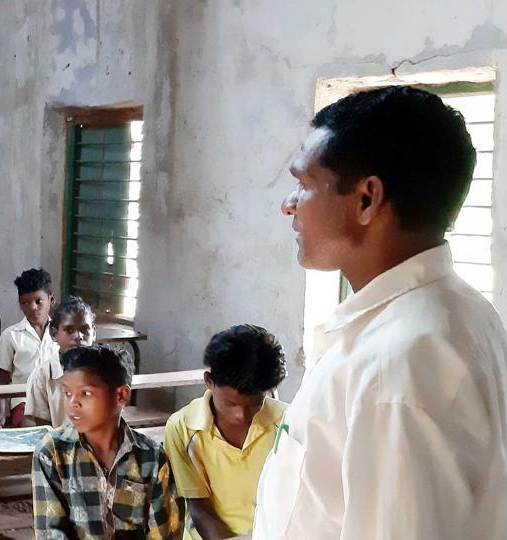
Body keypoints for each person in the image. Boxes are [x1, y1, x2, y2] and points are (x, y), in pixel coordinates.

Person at [253, 86, 507, 539]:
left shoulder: (400, 365)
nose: (289, 204)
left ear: (367, 200)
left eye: (306, 184)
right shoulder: (456, 311)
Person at [32, 345, 180, 539]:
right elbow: (50, 533)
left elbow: (164, 534)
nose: (73, 403)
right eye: (68, 393)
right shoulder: (52, 452)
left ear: (121, 396)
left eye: (86, 393)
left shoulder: (151, 457)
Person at [164, 325, 286, 539]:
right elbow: (199, 508)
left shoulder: (286, 424)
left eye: (254, 404)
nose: (241, 415)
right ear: (209, 381)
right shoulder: (183, 427)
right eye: (230, 403)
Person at [0, 268, 59, 428]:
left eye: (38, 301)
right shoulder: (11, 335)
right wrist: (1, 411)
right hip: (24, 401)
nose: (32, 307)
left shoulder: (61, 333)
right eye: (25, 302)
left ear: (51, 300)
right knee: (31, 428)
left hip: (56, 400)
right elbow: (2, 378)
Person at [24, 295, 96, 427]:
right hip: (58, 446)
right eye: (69, 330)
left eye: (84, 330)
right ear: (53, 334)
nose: (78, 337)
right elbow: (44, 433)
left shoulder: (105, 373)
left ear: (94, 334)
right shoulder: (42, 377)